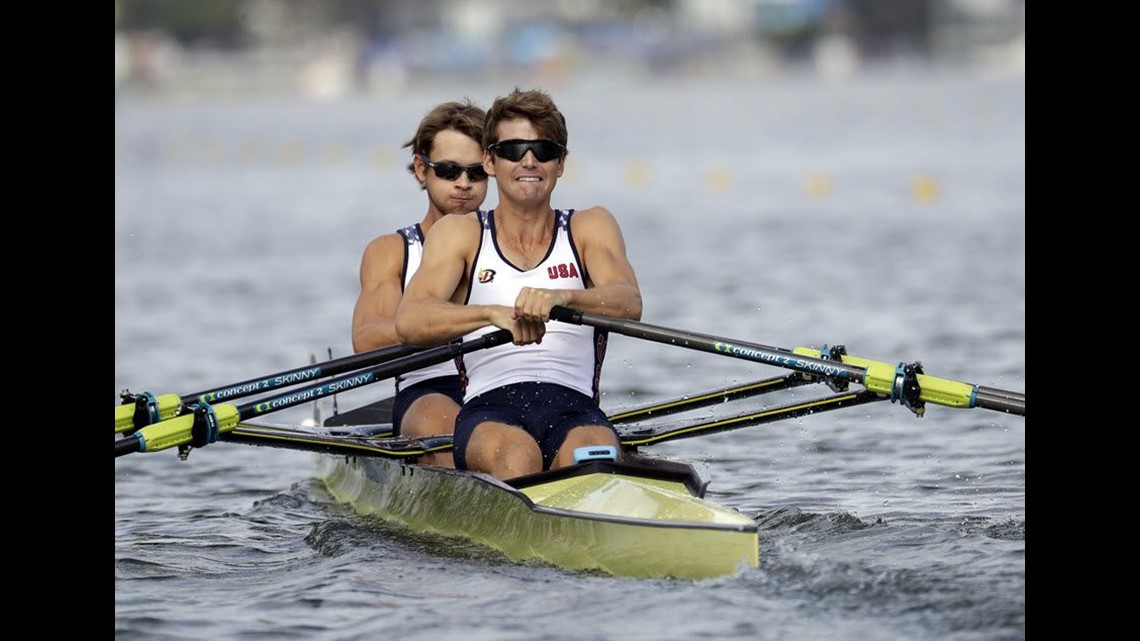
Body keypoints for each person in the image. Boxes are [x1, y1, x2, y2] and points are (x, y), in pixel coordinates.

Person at [395, 87, 643, 480]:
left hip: (576, 409)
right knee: (517, 457)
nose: (529, 160)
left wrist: (563, 297)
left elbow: (628, 301)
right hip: (490, 411)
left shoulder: (589, 226)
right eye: (513, 150)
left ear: (560, 163)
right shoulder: (461, 233)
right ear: (490, 161)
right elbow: (411, 319)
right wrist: (492, 314)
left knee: (595, 454)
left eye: (543, 150)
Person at [351, 99, 489, 468]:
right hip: (430, 392)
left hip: (504, 384)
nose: (463, 183)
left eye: (476, 173)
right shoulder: (391, 251)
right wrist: (445, 322)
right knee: (442, 423)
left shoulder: (513, 241)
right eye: (448, 170)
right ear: (420, 169)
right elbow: (367, 339)